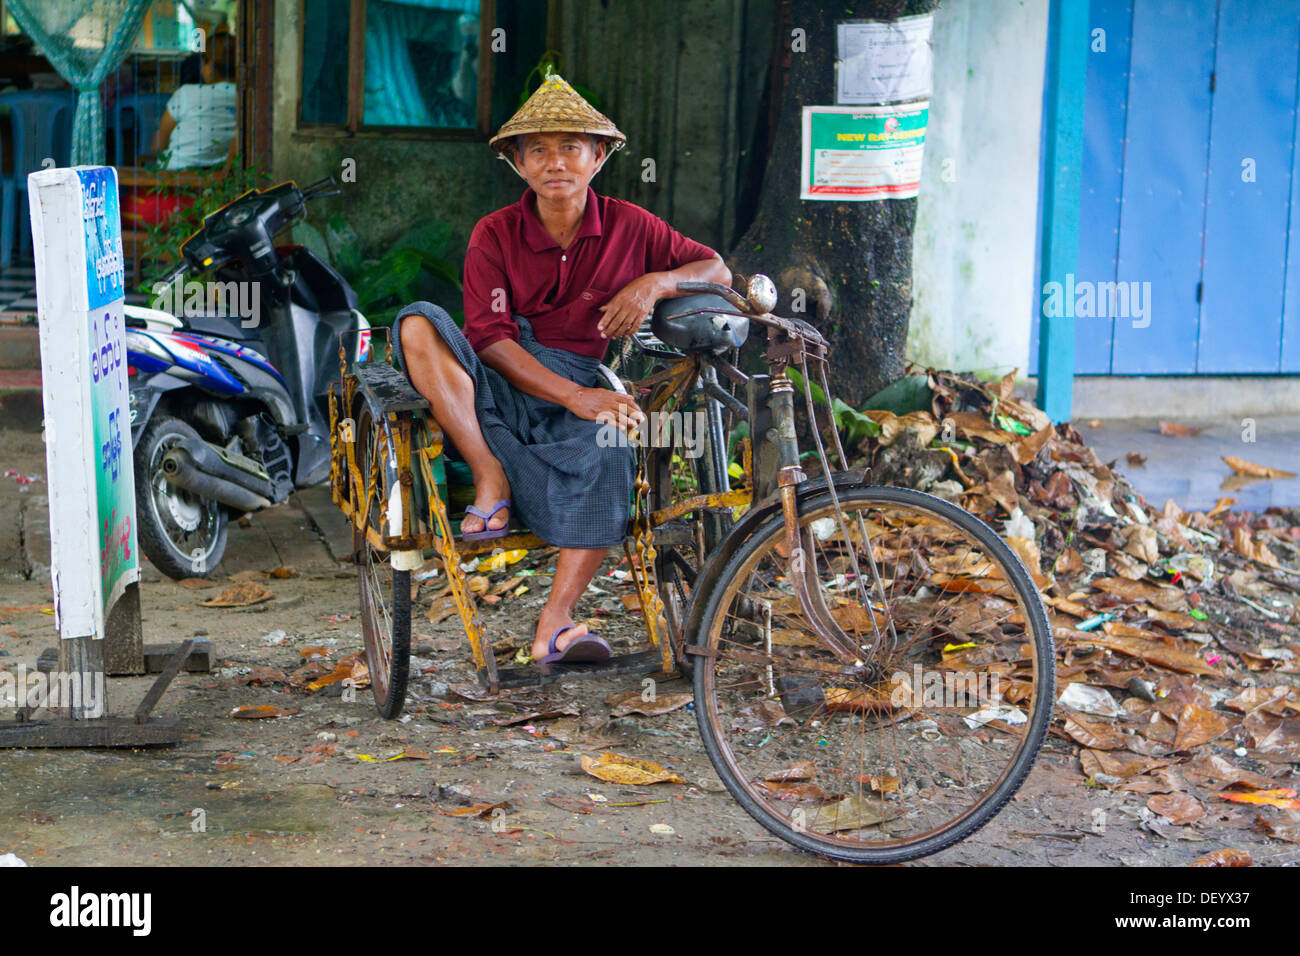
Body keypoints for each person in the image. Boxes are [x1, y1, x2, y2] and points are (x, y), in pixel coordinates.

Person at [393, 74, 731, 672]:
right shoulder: (494, 233)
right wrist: (576, 397)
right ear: (518, 164)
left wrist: (654, 282)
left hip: (580, 377)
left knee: (611, 446)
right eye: (539, 150)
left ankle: (555, 623)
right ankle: (489, 472)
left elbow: (717, 271)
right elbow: (491, 341)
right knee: (418, 322)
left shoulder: (632, 226)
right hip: (495, 379)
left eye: (571, 148)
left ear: (597, 158)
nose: (556, 163)